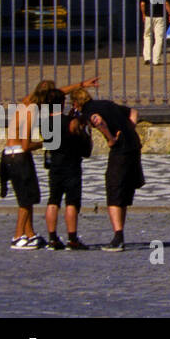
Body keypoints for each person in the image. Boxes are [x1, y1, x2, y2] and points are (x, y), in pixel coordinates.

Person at [0, 77, 99, 250]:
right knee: (25, 199)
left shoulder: (27, 103)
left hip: (15, 156)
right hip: (18, 156)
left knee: (33, 197)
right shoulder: (31, 111)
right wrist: (46, 142)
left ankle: (29, 233)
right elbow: (25, 144)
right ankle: (18, 236)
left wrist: (81, 84)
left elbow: (57, 93)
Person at [70, 88, 143, 252]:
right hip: (133, 145)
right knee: (124, 190)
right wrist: (129, 130)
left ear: (76, 103)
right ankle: (120, 233)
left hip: (120, 150)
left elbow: (99, 121)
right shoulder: (105, 103)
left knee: (114, 188)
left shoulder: (90, 111)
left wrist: (110, 139)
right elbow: (133, 112)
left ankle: (118, 236)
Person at [41, 88, 93, 250]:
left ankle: (52, 237)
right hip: (71, 165)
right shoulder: (70, 122)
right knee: (71, 202)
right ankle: (72, 238)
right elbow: (81, 142)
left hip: (55, 165)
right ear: (62, 103)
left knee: (53, 201)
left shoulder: (46, 123)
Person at [140, 0, 170, 66]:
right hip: (159, 16)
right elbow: (166, 3)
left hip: (148, 16)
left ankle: (147, 57)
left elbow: (142, 4)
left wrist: (143, 13)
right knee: (159, 38)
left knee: (147, 36)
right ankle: (156, 59)